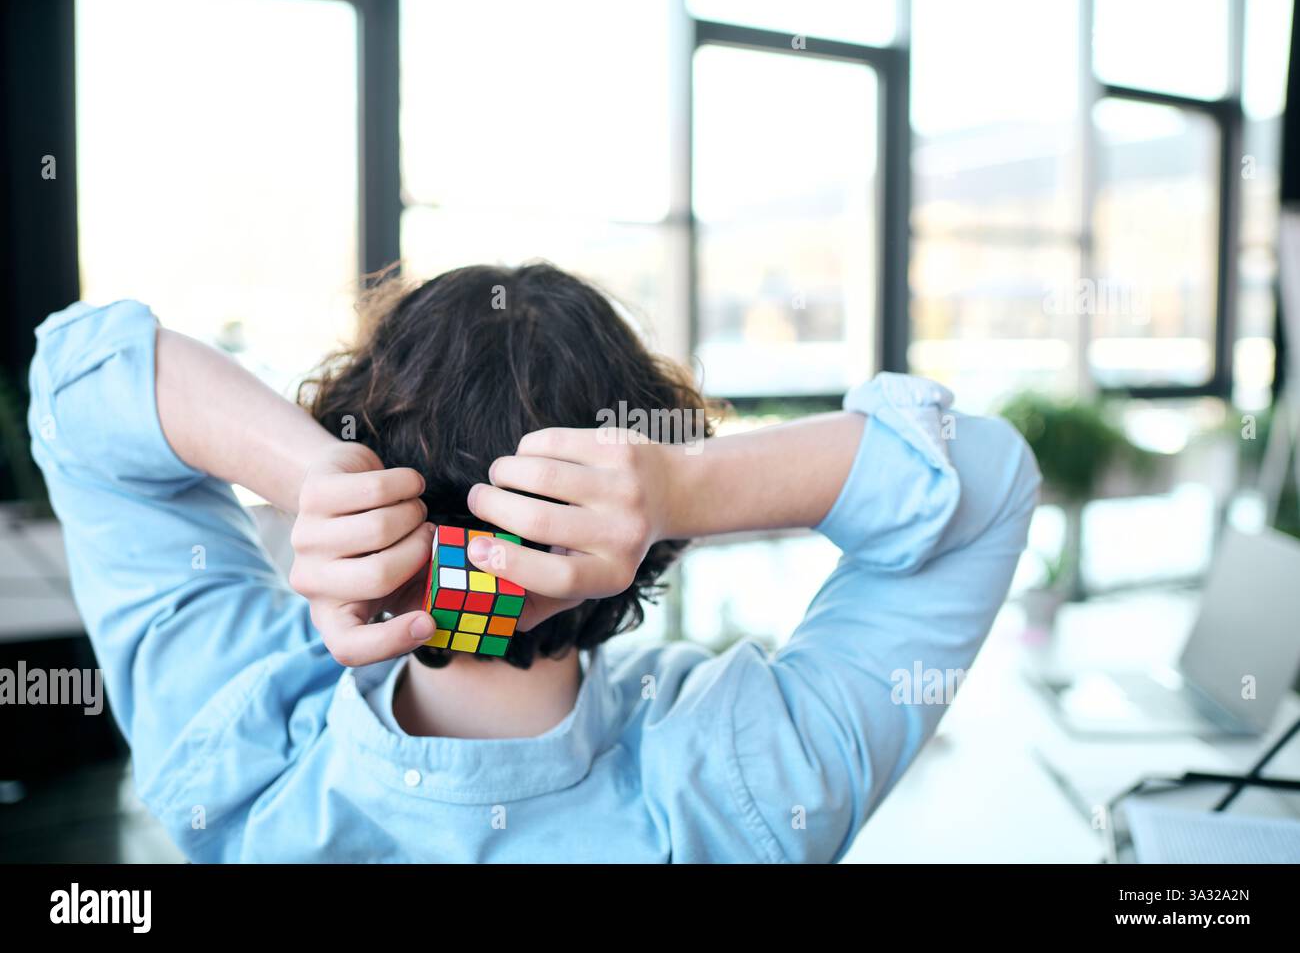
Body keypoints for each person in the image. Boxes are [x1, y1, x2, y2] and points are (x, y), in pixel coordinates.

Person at [28, 263, 1039, 862]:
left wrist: (313, 476)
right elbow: (984, 479)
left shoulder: (232, 732)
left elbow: (79, 379)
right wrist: (692, 487)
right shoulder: (745, 778)